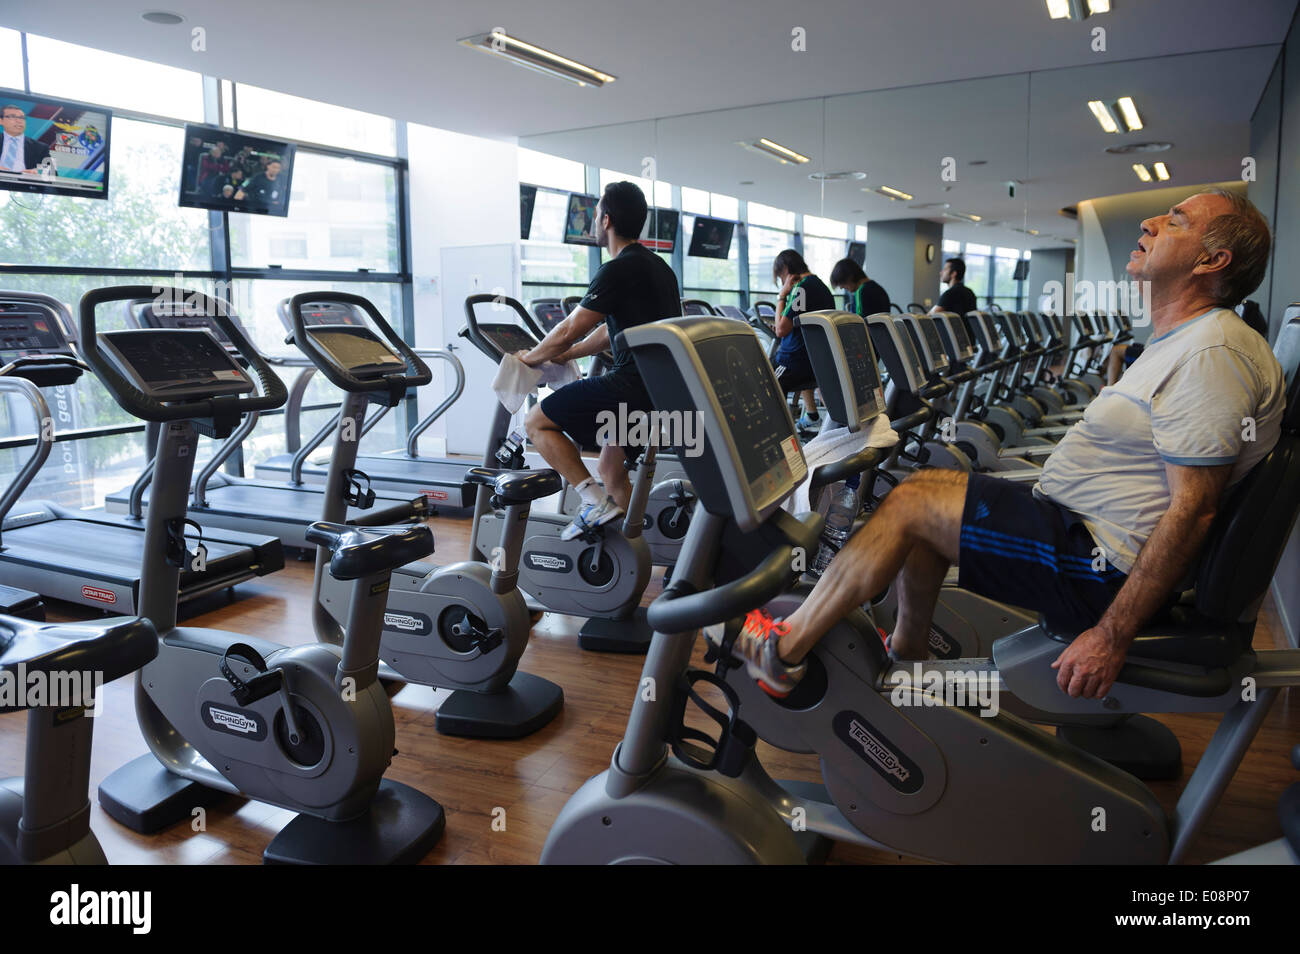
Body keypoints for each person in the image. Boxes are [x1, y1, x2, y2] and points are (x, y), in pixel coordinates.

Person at [713, 188, 1282, 701]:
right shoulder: (1186, 340)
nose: (1154, 219)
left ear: (1211, 261)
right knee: (927, 490)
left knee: (913, 503)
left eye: (1177, 220)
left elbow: (1195, 508)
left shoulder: (1213, 352)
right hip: (1080, 533)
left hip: (1100, 567)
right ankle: (907, 658)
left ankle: (782, 654)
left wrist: (1110, 635)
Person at [520, 181, 681, 540]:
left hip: (631, 386)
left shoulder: (617, 269)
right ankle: (630, 552)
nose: (593, 222)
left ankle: (591, 500)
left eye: (595, 215)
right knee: (611, 468)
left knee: (536, 422)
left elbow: (568, 327)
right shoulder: (659, 269)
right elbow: (611, 331)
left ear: (606, 220)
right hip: (659, 389)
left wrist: (529, 358)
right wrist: (568, 354)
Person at [770, 249, 836, 432]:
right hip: (816, 362)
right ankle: (812, 415)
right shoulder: (820, 286)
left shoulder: (801, 288)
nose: (781, 281)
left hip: (797, 364)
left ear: (785, 269)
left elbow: (781, 330)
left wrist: (781, 296)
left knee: (765, 377)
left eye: (780, 276)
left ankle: (777, 433)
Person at [0, 104, 51, 175]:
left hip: (25, 184)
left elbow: (52, 173)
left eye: (22, 118)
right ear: (1, 121)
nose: (19, 121)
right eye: (12, 117)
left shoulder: (40, 148)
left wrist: (38, 173)